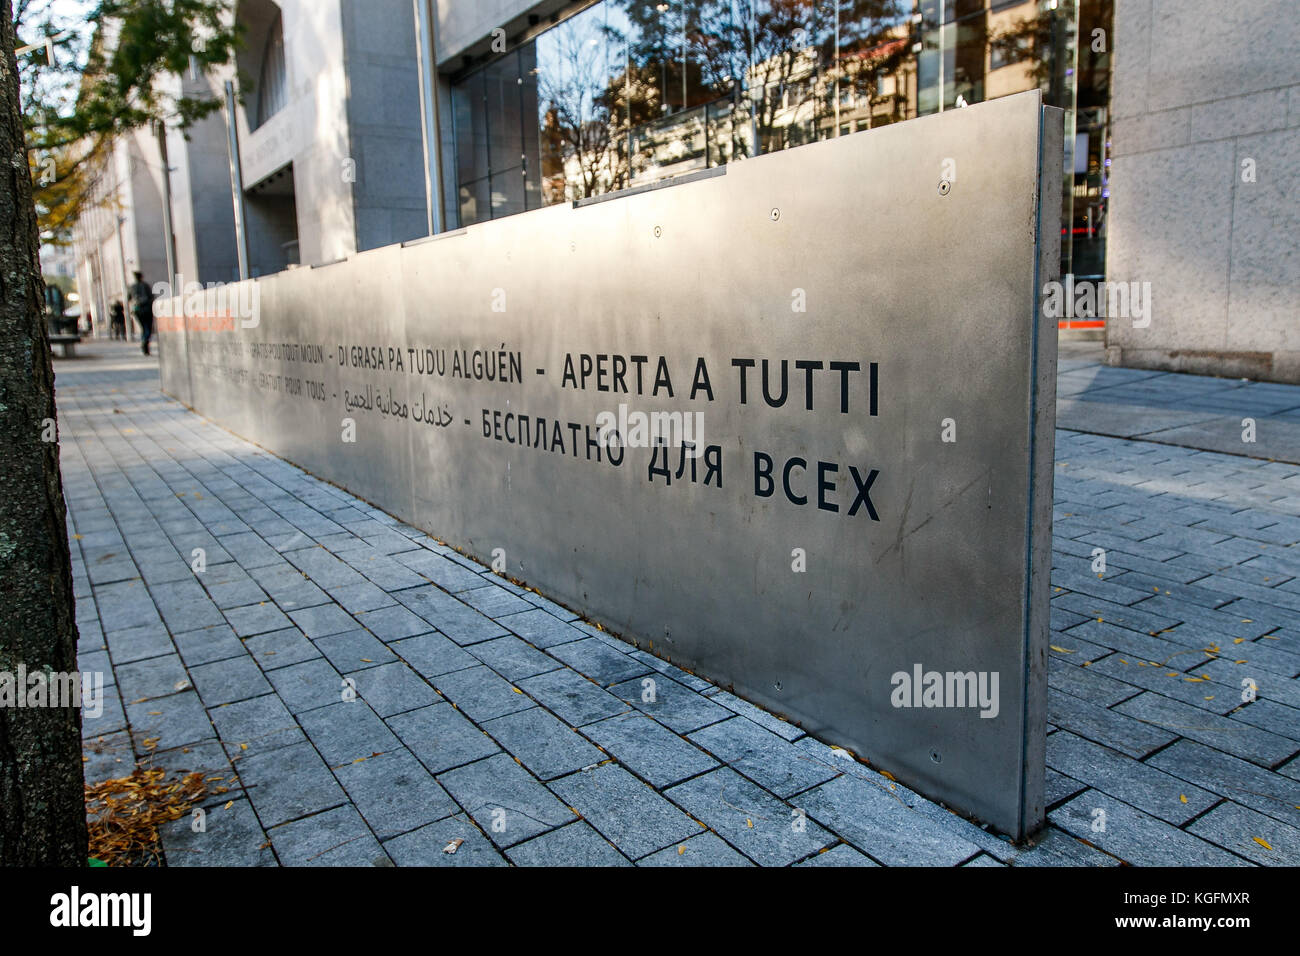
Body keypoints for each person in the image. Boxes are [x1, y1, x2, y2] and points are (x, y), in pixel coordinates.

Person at [129, 270, 156, 356]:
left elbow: (129, 298)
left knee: (143, 327)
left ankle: (144, 341)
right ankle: (145, 342)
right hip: (147, 309)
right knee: (147, 328)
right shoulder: (146, 285)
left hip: (137, 310)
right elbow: (151, 297)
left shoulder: (132, 287)